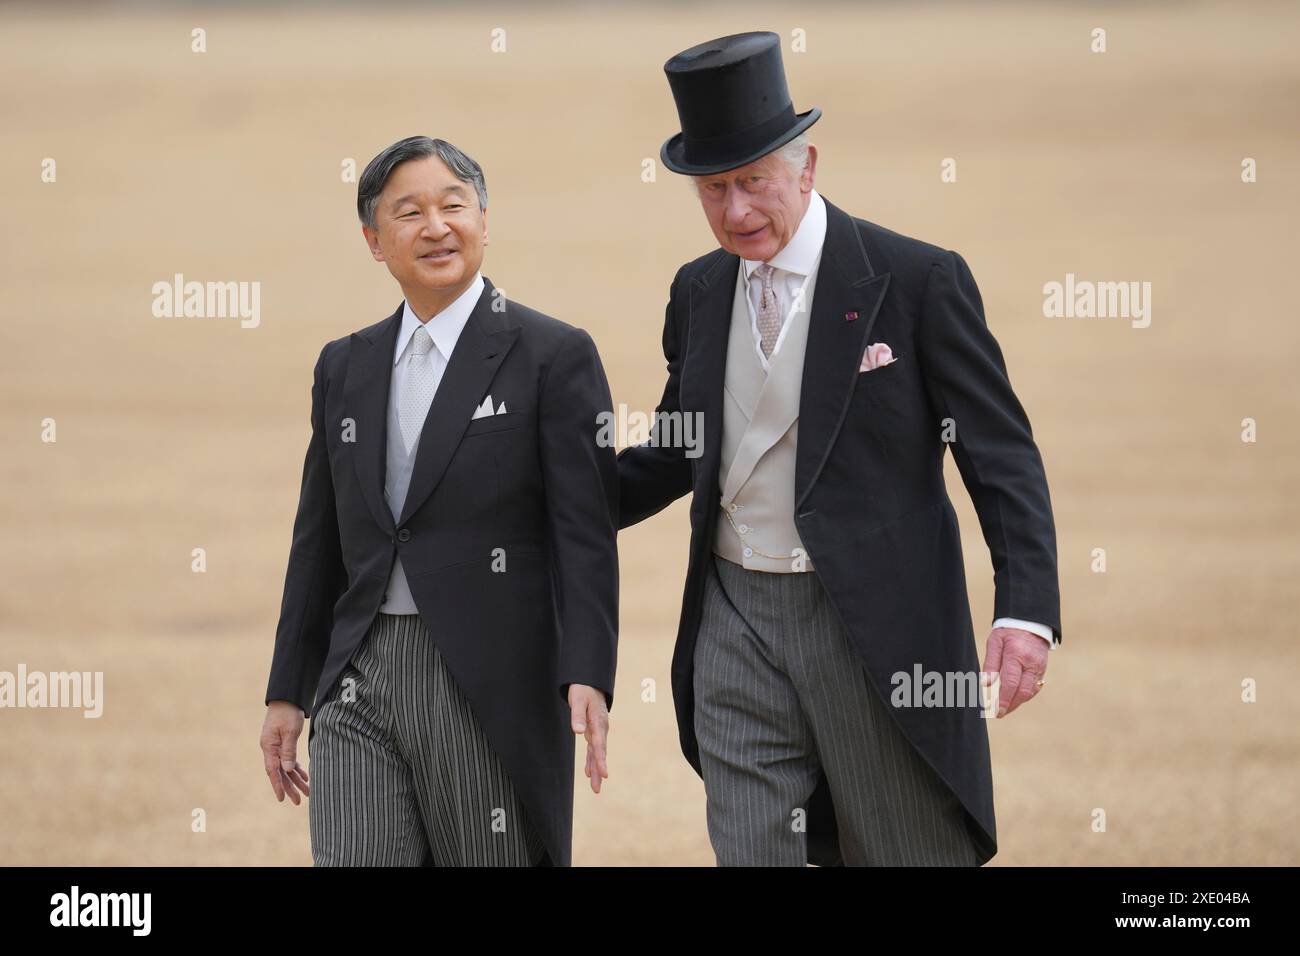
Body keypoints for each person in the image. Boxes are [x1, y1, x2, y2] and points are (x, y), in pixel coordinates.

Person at [618, 32, 1062, 866]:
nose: (736, 211)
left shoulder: (919, 280)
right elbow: (682, 451)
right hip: (730, 618)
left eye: (754, 182)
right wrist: (542, 489)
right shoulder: (700, 289)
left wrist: (1025, 609)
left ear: (808, 165)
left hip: (872, 626)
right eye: (713, 190)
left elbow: (1000, 456)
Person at [260, 136, 619, 866]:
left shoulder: (551, 354)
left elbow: (584, 530)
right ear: (374, 241)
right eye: (409, 213)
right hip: (358, 675)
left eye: (453, 205)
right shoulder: (344, 365)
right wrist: (287, 691)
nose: (436, 227)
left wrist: (589, 669)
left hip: (487, 679)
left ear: (484, 220)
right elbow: (318, 539)